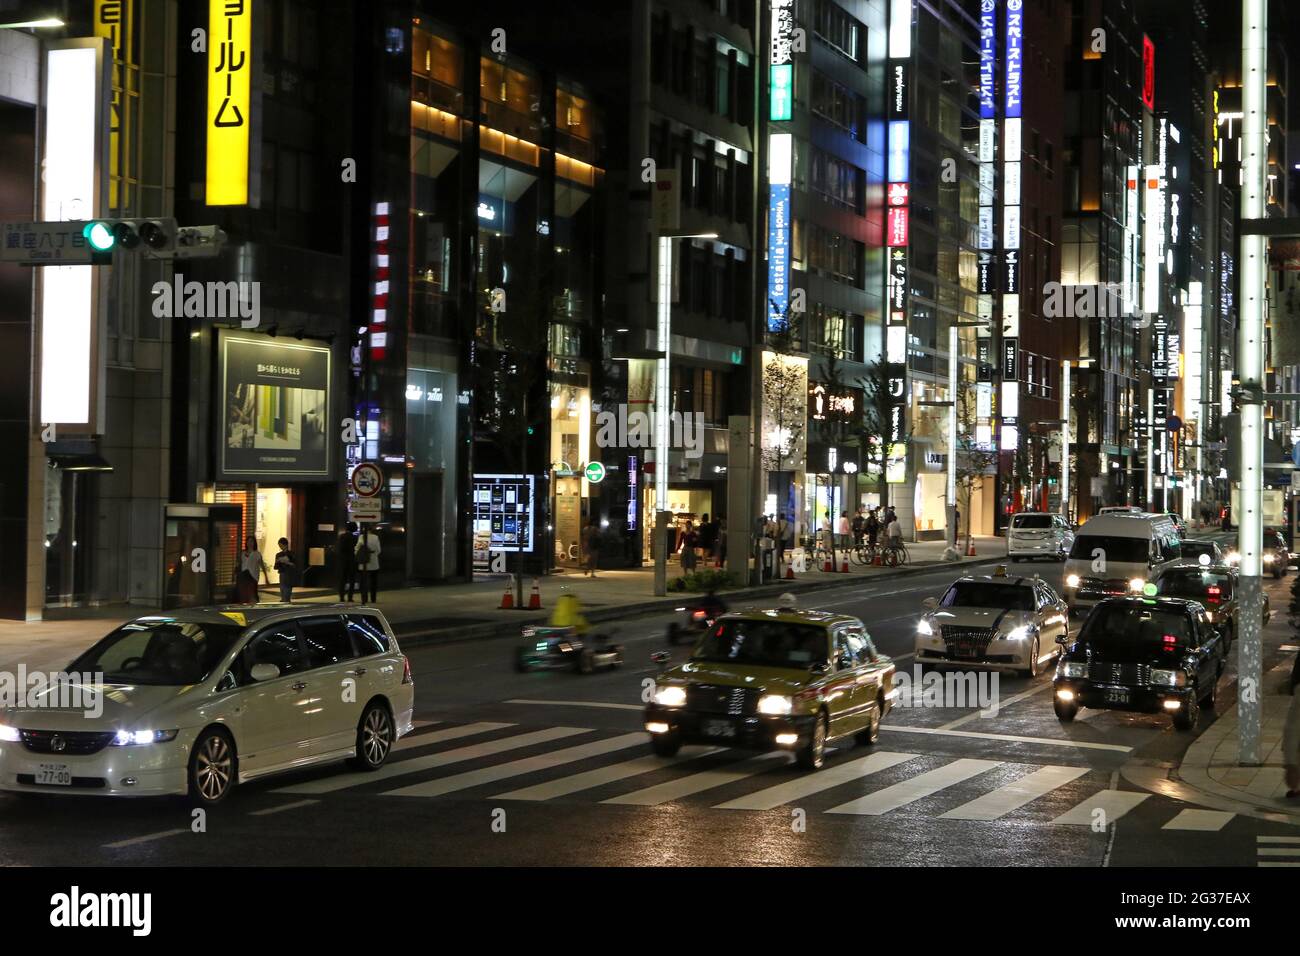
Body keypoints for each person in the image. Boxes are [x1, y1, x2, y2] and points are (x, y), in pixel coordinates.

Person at [237, 536, 268, 605]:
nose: (250, 543)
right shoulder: (242, 553)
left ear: (254, 543)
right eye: (248, 541)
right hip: (243, 575)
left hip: (253, 576)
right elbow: (239, 564)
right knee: (244, 593)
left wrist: (266, 577)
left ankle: (254, 606)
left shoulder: (257, 554)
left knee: (252, 593)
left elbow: (262, 565)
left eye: (251, 541)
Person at [356, 525, 381, 602]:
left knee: (363, 582)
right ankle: (373, 598)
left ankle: (364, 598)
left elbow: (357, 548)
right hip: (373, 562)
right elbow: (378, 550)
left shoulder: (361, 537)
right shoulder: (375, 537)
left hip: (363, 563)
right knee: (373, 582)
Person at [337, 522, 359, 601]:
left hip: (343, 560)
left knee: (342, 579)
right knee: (351, 579)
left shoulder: (341, 537)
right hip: (352, 560)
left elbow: (340, 549)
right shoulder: (355, 538)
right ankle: (350, 597)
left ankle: (341, 597)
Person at [273, 537, 297, 603]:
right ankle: (283, 599)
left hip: (289, 574)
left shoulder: (291, 554)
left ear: (286, 545)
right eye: (279, 546)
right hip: (282, 573)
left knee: (288, 589)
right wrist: (278, 562)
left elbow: (295, 565)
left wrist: (287, 562)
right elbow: (275, 567)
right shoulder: (278, 555)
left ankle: (287, 600)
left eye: (281, 545)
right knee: (282, 588)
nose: (280, 547)